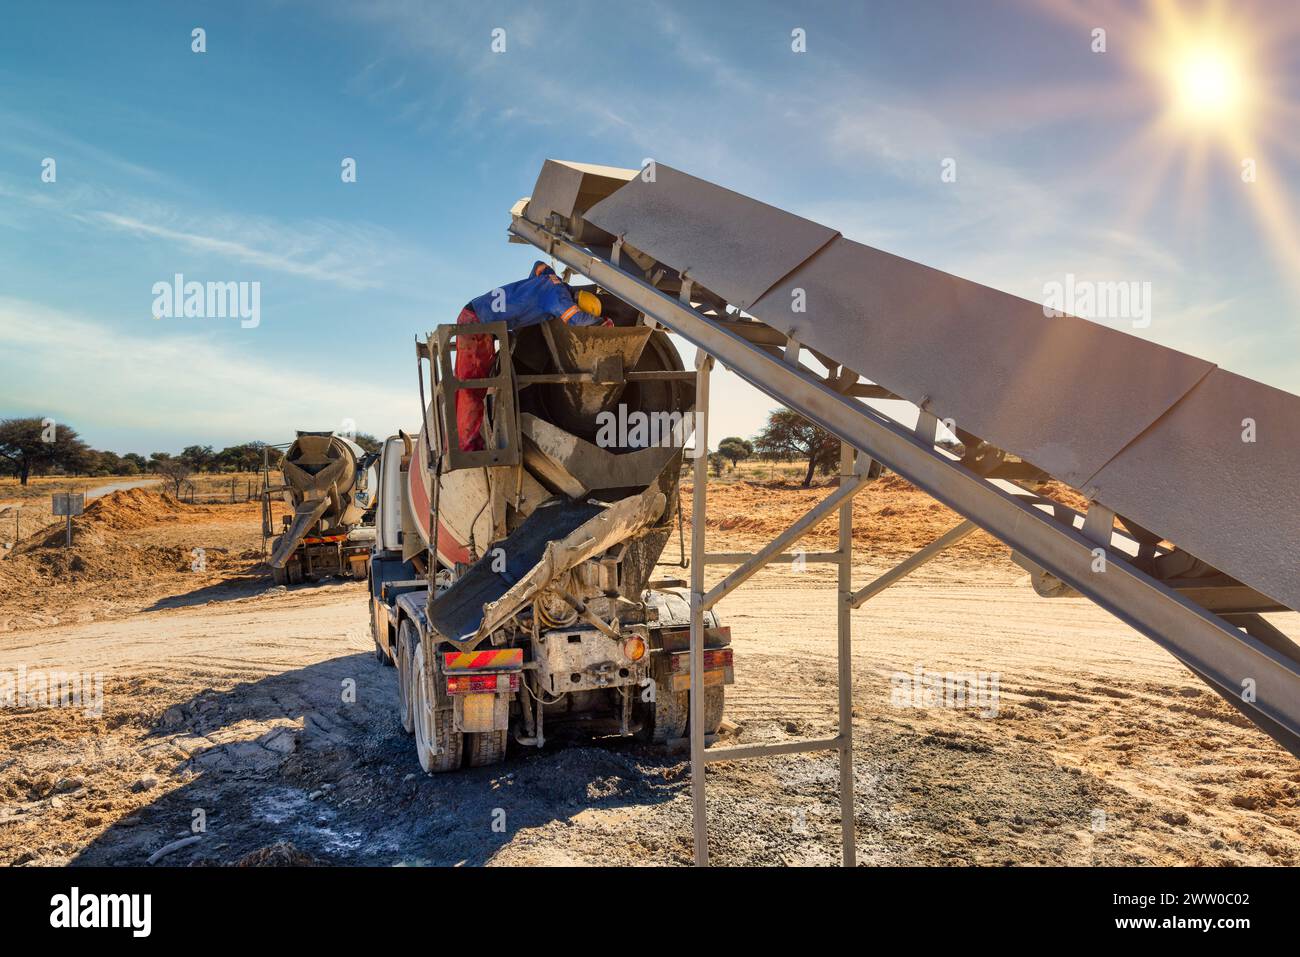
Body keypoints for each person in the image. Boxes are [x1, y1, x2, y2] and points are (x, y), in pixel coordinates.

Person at [453, 261, 611, 451]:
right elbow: (574, 317)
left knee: (471, 384)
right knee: (472, 385)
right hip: (476, 322)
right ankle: (465, 445)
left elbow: (539, 266)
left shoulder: (554, 282)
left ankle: (464, 439)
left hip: (480, 317)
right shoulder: (559, 297)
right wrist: (601, 323)